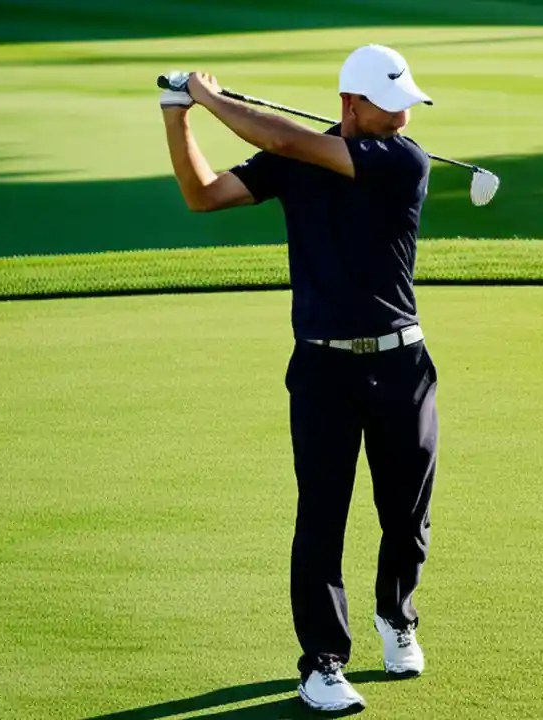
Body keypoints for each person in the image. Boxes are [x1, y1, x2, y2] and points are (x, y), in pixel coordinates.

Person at [159, 44, 439, 713]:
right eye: (391, 104)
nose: (404, 116)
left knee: (407, 516)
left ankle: (395, 615)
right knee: (321, 516)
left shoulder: (405, 161)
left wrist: (209, 95)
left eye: (407, 105)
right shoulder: (294, 161)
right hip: (323, 368)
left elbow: (282, 135)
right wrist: (179, 115)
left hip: (402, 365)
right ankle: (321, 664)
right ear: (351, 103)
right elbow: (203, 195)